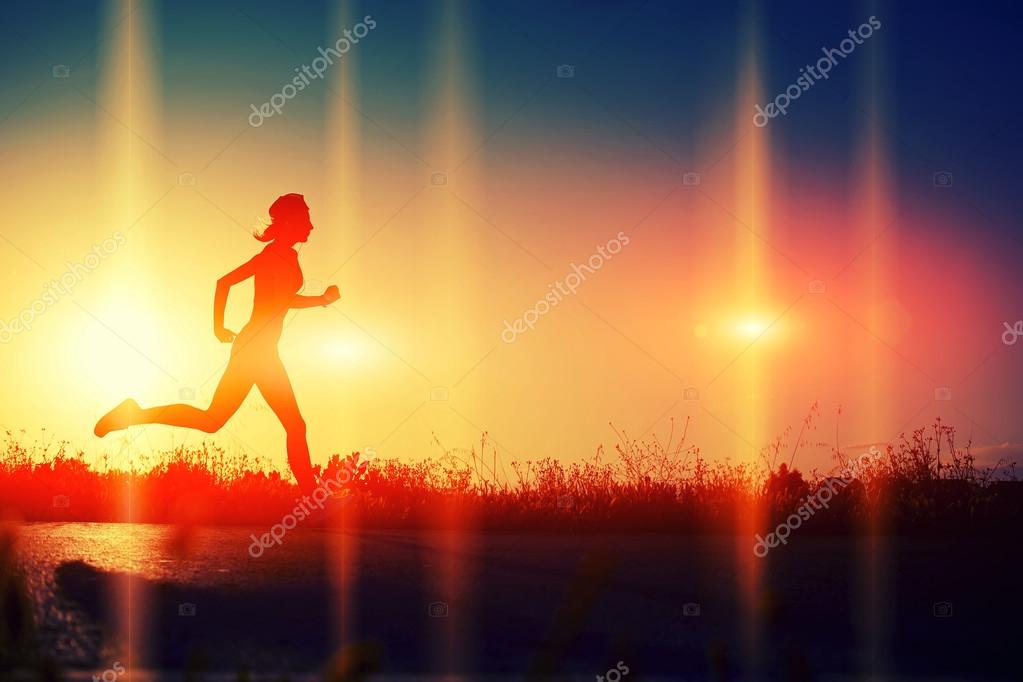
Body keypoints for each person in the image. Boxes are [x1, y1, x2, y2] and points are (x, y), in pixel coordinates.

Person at [94, 193, 338, 494]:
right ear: (290, 222)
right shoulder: (272, 257)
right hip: (256, 351)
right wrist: (321, 300)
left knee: (214, 420)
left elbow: (250, 292)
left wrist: (220, 327)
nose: (312, 226)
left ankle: (134, 414)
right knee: (293, 425)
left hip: (259, 349)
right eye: (306, 219)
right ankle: (312, 501)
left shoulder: (286, 255)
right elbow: (240, 288)